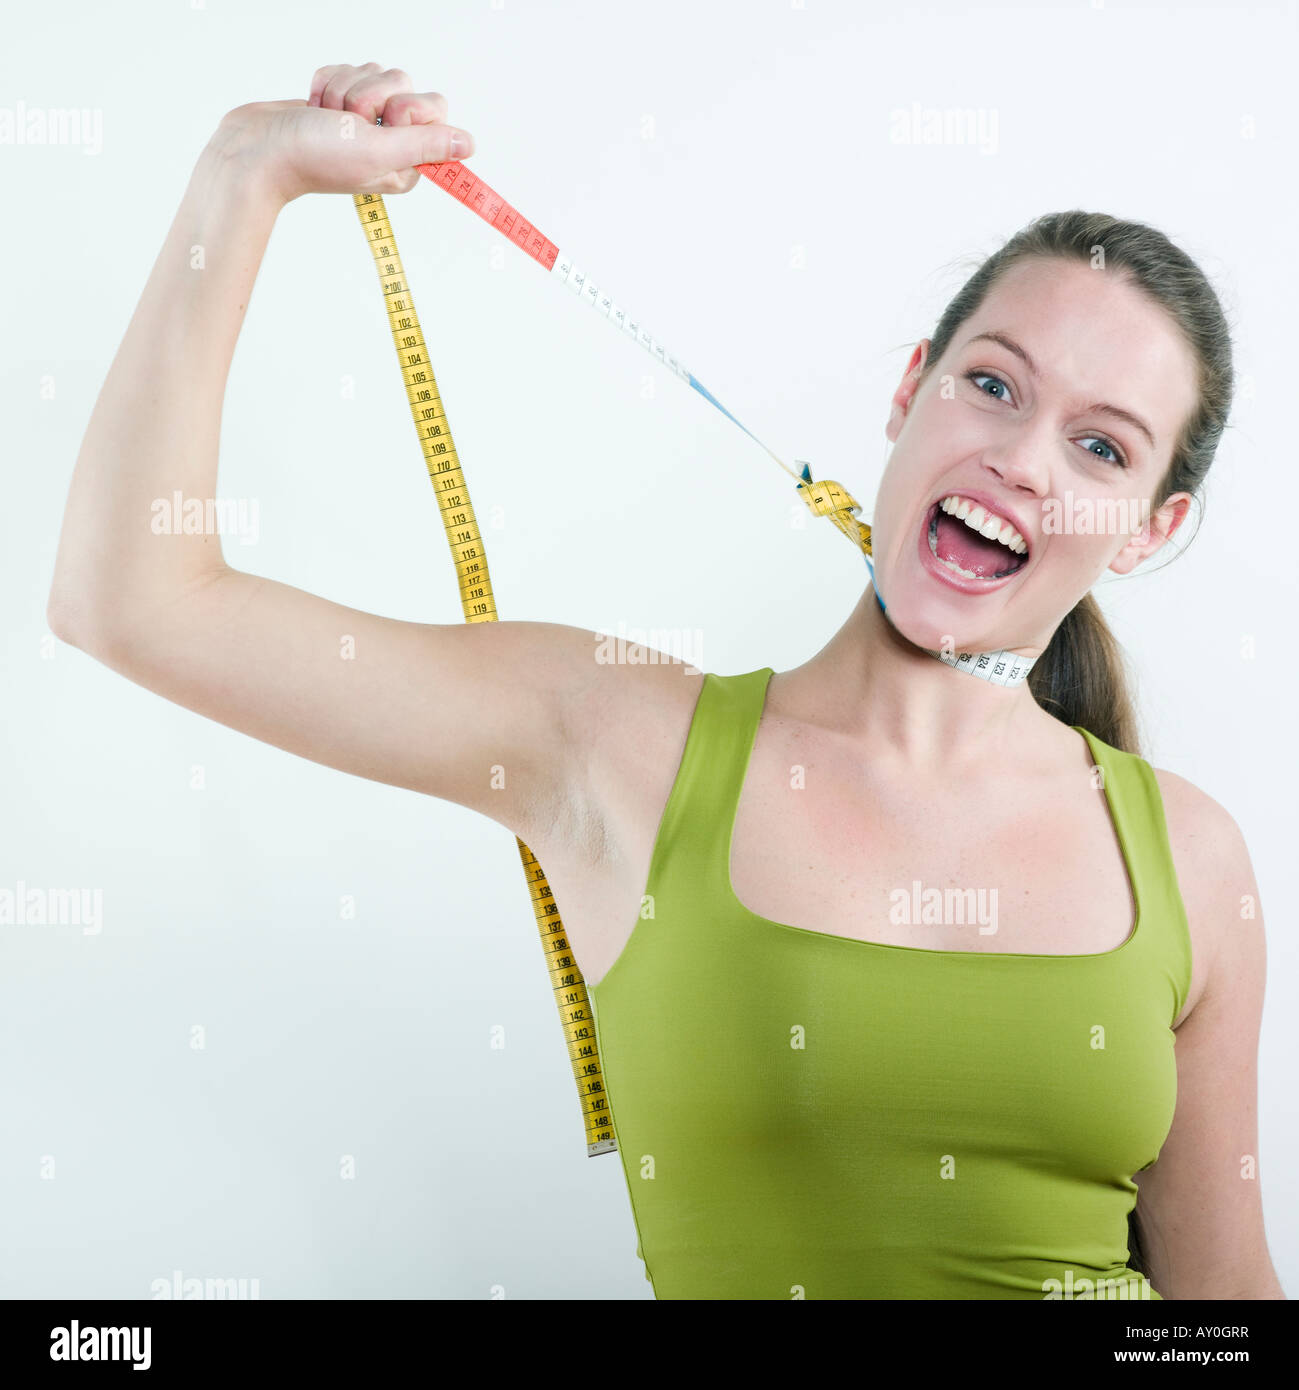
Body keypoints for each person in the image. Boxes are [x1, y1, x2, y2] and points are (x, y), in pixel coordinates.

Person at [48, 62, 1284, 1301]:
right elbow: (137, 604)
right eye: (993, 383)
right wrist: (241, 174)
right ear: (911, 389)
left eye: (1099, 445)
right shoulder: (612, 735)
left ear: (1147, 529)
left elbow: (1223, 1309)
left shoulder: (1191, 856)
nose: (1019, 455)